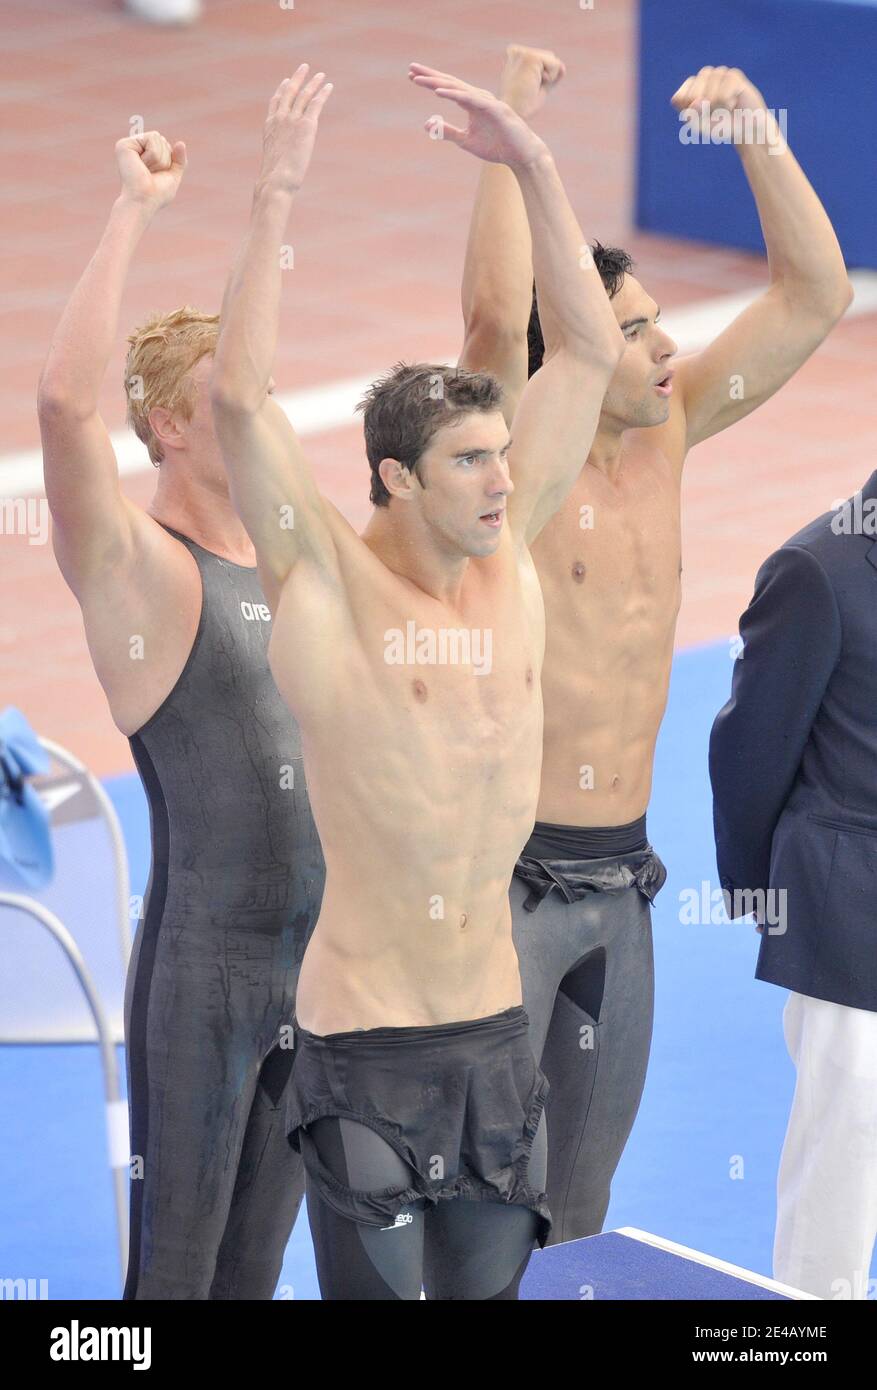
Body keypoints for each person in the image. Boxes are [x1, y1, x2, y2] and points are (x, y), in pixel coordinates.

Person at [210, 63, 625, 1300]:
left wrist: (530, 163)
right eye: (470, 462)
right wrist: (275, 192)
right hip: (366, 1038)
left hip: (494, 1032)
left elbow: (587, 350)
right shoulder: (327, 587)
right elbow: (239, 397)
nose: (505, 481)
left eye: (504, 454)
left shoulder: (511, 570)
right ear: (395, 480)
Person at [454, 44, 853, 1243]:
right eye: (632, 329)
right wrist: (515, 134)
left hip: (623, 878)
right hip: (511, 870)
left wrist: (754, 134)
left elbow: (813, 296)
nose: (666, 346)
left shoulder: (670, 430)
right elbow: (488, 315)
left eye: (659, 321)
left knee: (581, 1204)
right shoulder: (520, 456)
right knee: (477, 1192)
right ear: (570, 352)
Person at [37, 131, 324, 1299]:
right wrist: (133, 207)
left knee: (251, 1278)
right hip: (204, 977)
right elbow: (61, 404)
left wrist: (274, 209)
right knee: (173, 1282)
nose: (255, 410)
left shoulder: (294, 563)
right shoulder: (144, 571)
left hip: (316, 971)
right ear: (163, 424)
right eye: (226, 395)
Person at [710, 472, 877, 1301]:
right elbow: (750, 749)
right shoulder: (816, 568)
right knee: (844, 1148)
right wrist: (758, 897)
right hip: (848, 915)